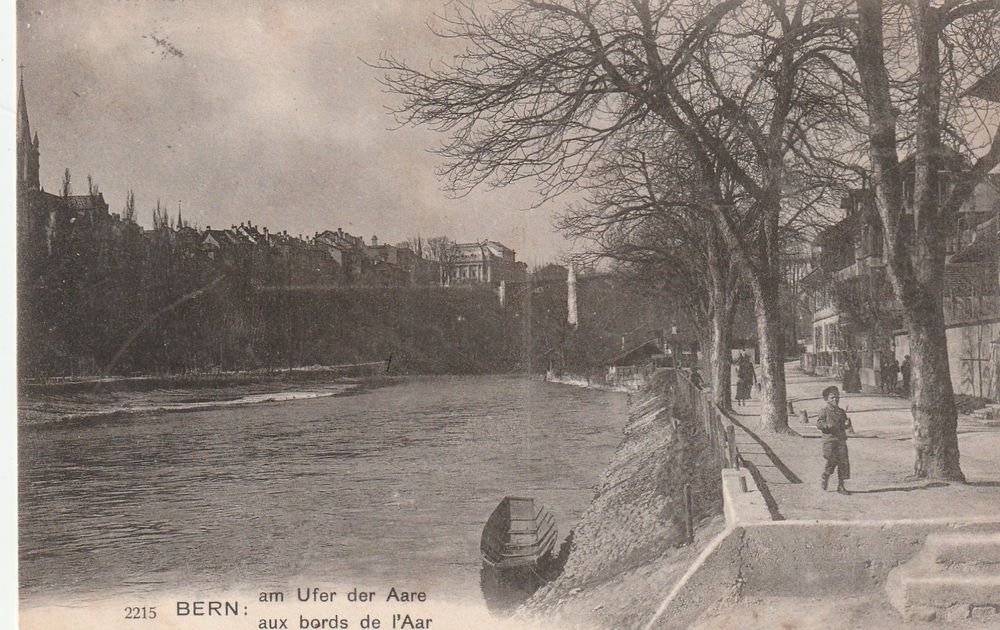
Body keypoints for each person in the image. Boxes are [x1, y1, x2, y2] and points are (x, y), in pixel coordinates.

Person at [816, 385, 852, 495]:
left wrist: (847, 424)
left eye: (837, 397)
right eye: (832, 398)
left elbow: (845, 425)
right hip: (829, 441)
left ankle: (841, 485)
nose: (835, 400)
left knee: (843, 462)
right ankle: (826, 475)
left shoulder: (841, 412)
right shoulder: (824, 411)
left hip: (840, 440)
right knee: (832, 460)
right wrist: (826, 425)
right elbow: (819, 423)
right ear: (826, 399)